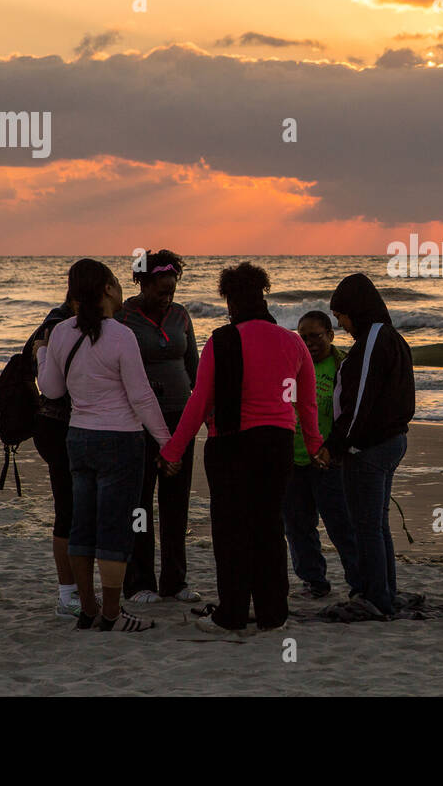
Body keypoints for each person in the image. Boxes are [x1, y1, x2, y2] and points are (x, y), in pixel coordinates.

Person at [160, 262, 322, 638]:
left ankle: (231, 614)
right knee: (269, 527)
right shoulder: (293, 342)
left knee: (231, 531)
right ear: (262, 295)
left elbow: (199, 401)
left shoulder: (221, 340)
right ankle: (272, 614)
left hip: (230, 445)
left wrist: (173, 450)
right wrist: (314, 446)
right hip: (277, 445)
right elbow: (306, 405)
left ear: (230, 300)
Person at [37, 258, 174, 633]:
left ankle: (88, 609)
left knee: (82, 526)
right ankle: (112, 615)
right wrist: (167, 442)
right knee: (114, 530)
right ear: (109, 289)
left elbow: (51, 390)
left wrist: (42, 354)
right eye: (116, 282)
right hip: (120, 441)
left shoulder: (62, 332)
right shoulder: (121, 336)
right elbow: (141, 398)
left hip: (78, 439)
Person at [315, 274, 415, 618]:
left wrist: (337, 445)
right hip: (388, 441)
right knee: (377, 523)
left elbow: (359, 404)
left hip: (370, 448)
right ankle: (385, 591)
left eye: (340, 316)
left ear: (355, 309)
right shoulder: (391, 337)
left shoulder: (374, 340)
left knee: (366, 526)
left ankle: (376, 598)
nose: (340, 325)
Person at [114, 249, 201, 605]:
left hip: (181, 421)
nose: (168, 297)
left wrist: (203, 413)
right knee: (140, 504)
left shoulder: (181, 315)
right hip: (140, 422)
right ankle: (139, 582)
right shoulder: (123, 318)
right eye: (161, 290)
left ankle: (175, 581)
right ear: (143, 283)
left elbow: (194, 368)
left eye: (172, 290)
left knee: (176, 502)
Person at [283, 310, 358, 599]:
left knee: (341, 524)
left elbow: (351, 414)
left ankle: (358, 580)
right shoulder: (291, 364)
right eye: (303, 337)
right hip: (293, 458)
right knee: (298, 526)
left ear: (331, 335)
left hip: (330, 460)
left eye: (316, 336)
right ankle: (314, 581)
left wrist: (336, 449)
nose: (310, 342)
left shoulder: (343, 366)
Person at [27, 296, 78, 617]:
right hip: (59, 428)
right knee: (69, 510)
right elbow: (52, 385)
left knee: (73, 509)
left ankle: (73, 592)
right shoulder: (58, 325)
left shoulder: (65, 322)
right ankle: (68, 593)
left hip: (61, 427)